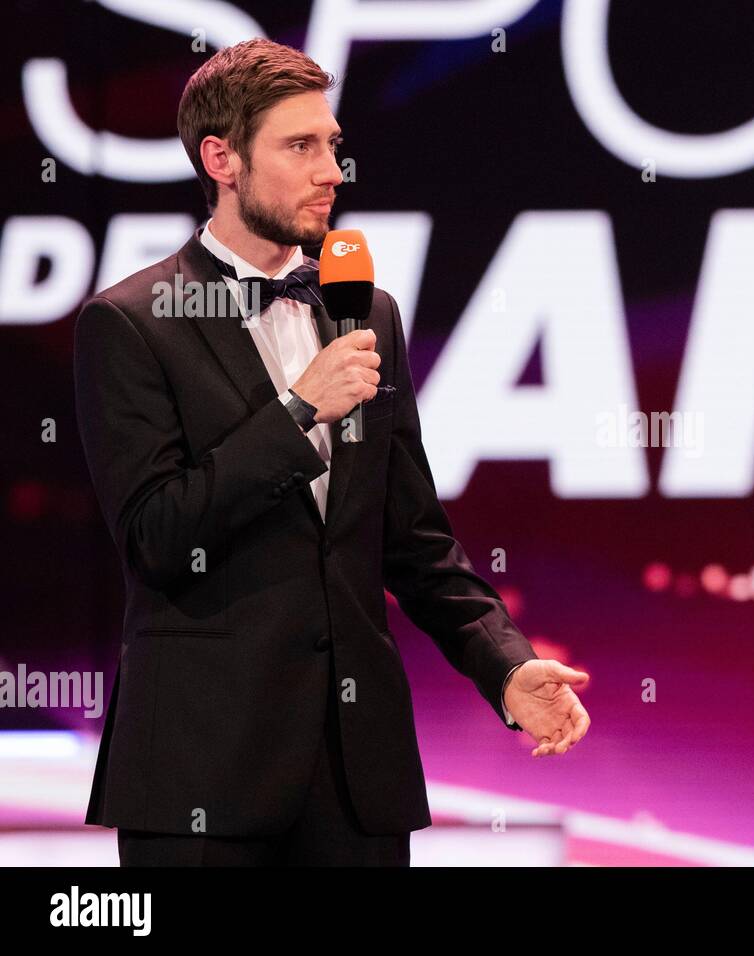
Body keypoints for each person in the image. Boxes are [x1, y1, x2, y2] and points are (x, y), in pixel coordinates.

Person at [73, 38, 589, 866]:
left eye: (334, 147)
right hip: (202, 774)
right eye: (300, 146)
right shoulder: (132, 322)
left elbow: (415, 542)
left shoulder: (367, 311)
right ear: (222, 158)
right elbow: (159, 537)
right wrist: (298, 408)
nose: (332, 172)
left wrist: (504, 667)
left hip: (357, 780)